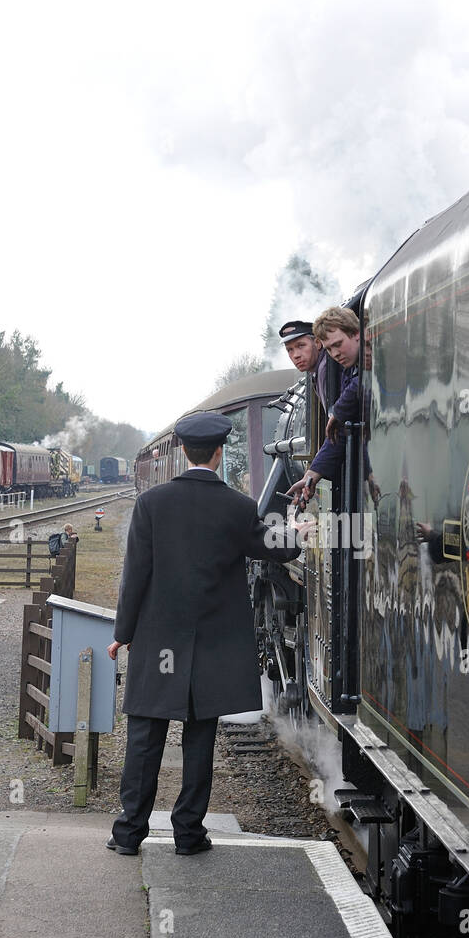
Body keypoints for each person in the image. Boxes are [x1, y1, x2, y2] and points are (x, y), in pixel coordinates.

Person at [106, 411, 303, 856]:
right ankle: (188, 835)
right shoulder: (237, 507)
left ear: (182, 453)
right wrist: (299, 532)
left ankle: (128, 835)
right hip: (210, 647)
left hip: (158, 643)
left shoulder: (152, 504)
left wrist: (124, 633)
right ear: (218, 453)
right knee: (199, 740)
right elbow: (276, 548)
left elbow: (134, 575)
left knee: (144, 739)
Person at [286, 306, 365, 507]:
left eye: (301, 346)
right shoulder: (342, 368)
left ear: (357, 334)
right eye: (330, 349)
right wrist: (312, 474)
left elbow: (366, 378)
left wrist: (338, 412)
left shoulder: (329, 369)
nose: (335, 354)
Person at [278, 319, 328, 410]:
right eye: (290, 350)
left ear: (317, 343)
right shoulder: (319, 370)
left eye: (301, 345)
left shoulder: (324, 369)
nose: (296, 355)